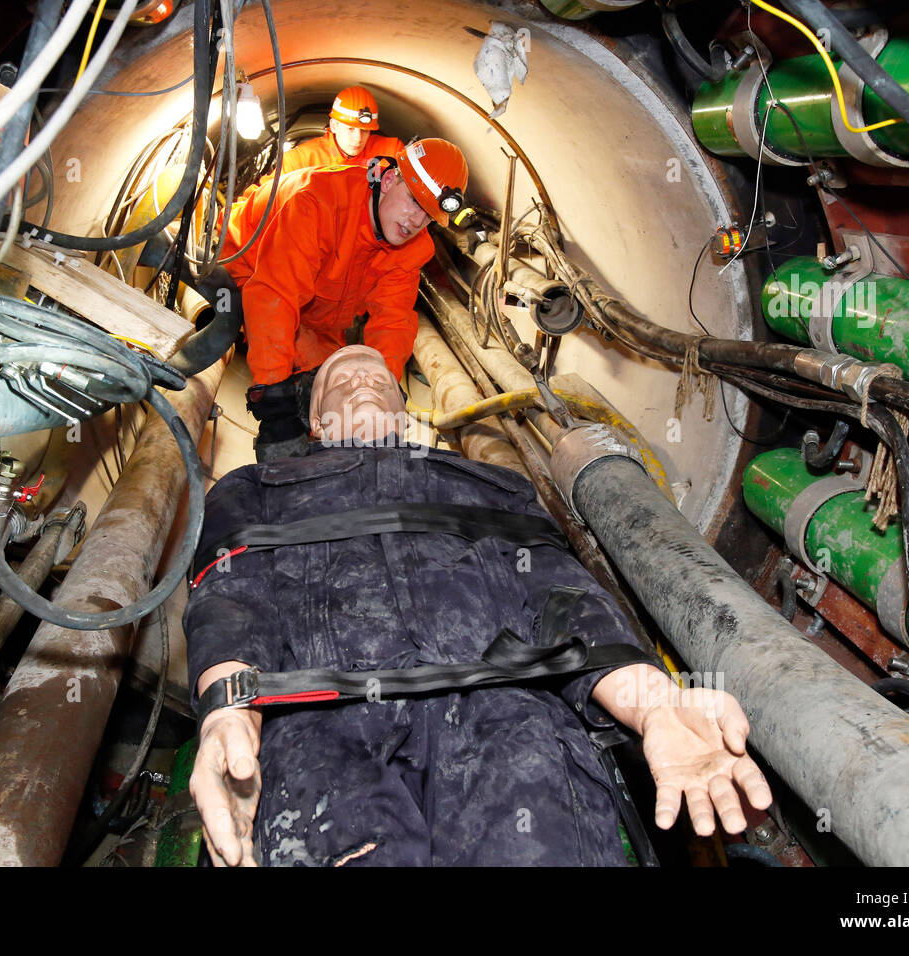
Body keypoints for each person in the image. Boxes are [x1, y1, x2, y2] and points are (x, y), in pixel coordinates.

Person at [184, 345, 772, 866]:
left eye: (379, 377)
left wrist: (653, 702)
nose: (363, 380)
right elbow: (233, 597)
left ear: (403, 406)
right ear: (315, 419)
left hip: (507, 720)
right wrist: (229, 714)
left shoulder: (493, 484)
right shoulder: (252, 487)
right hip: (315, 724)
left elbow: (558, 595)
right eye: (342, 379)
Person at [221, 138, 469, 461]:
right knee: (294, 395)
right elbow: (275, 295)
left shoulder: (410, 247)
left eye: (429, 216)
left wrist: (385, 391)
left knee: (332, 388)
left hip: (315, 310)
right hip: (246, 264)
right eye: (412, 200)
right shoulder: (320, 204)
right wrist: (273, 399)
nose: (415, 221)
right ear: (391, 179)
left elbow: (392, 322)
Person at [264, 86, 405, 181]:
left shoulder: (391, 152)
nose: (358, 139)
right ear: (334, 126)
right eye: (350, 129)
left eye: (364, 131)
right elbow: (261, 198)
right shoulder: (300, 160)